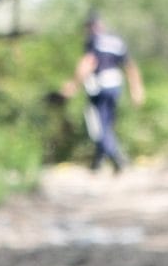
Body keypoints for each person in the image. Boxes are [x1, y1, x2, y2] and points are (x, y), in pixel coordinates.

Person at [60, 12, 144, 172]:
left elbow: (87, 63)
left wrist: (72, 85)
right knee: (107, 124)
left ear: (91, 26)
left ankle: (118, 158)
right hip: (115, 86)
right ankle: (97, 164)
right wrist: (136, 89)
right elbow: (130, 67)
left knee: (98, 127)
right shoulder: (117, 41)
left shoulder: (94, 40)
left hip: (99, 88)